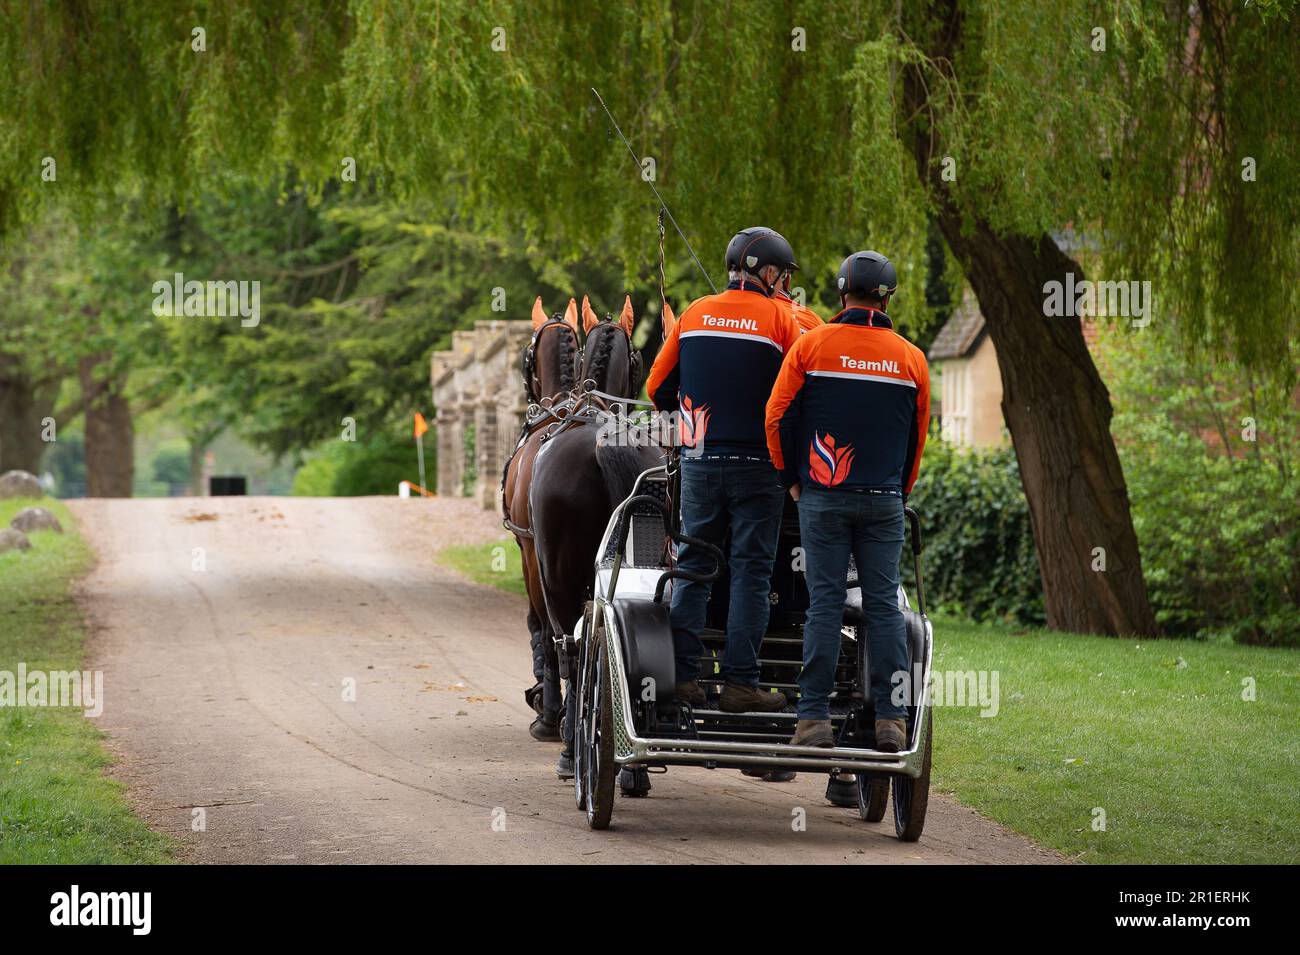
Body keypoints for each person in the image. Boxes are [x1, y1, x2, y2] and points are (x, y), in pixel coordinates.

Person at [765, 250, 930, 751]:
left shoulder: (812, 346)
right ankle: (891, 720)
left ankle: (813, 719)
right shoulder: (911, 359)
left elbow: (776, 417)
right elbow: (917, 439)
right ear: (888, 297)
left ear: (842, 293)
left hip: (823, 499)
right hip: (884, 501)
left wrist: (791, 480)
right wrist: (898, 491)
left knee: (825, 606)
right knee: (883, 609)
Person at [646, 227, 802, 714]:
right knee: (753, 574)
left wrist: (692, 419)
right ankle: (740, 684)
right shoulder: (781, 319)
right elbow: (805, 388)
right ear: (769, 273)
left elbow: (656, 389)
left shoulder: (693, 313)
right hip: (759, 468)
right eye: (782, 276)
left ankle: (684, 678)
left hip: (699, 463)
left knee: (693, 569)